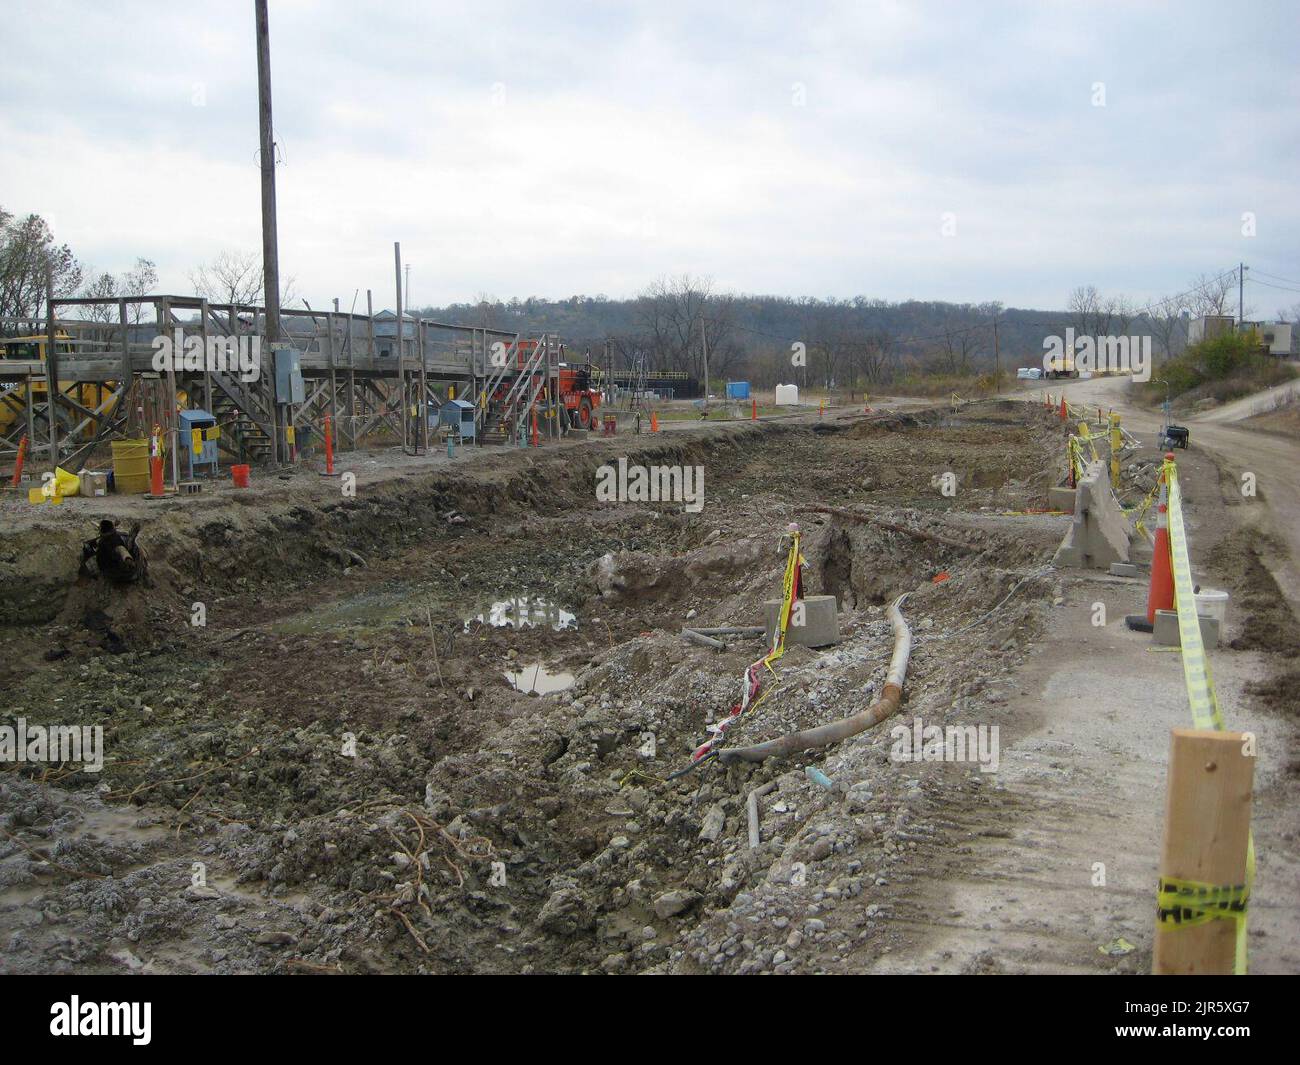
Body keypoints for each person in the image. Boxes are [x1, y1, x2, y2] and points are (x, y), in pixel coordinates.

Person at [79, 519, 147, 585]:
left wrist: (128, 559)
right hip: (119, 568)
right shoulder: (112, 539)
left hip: (117, 572)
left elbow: (122, 550)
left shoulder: (111, 542)